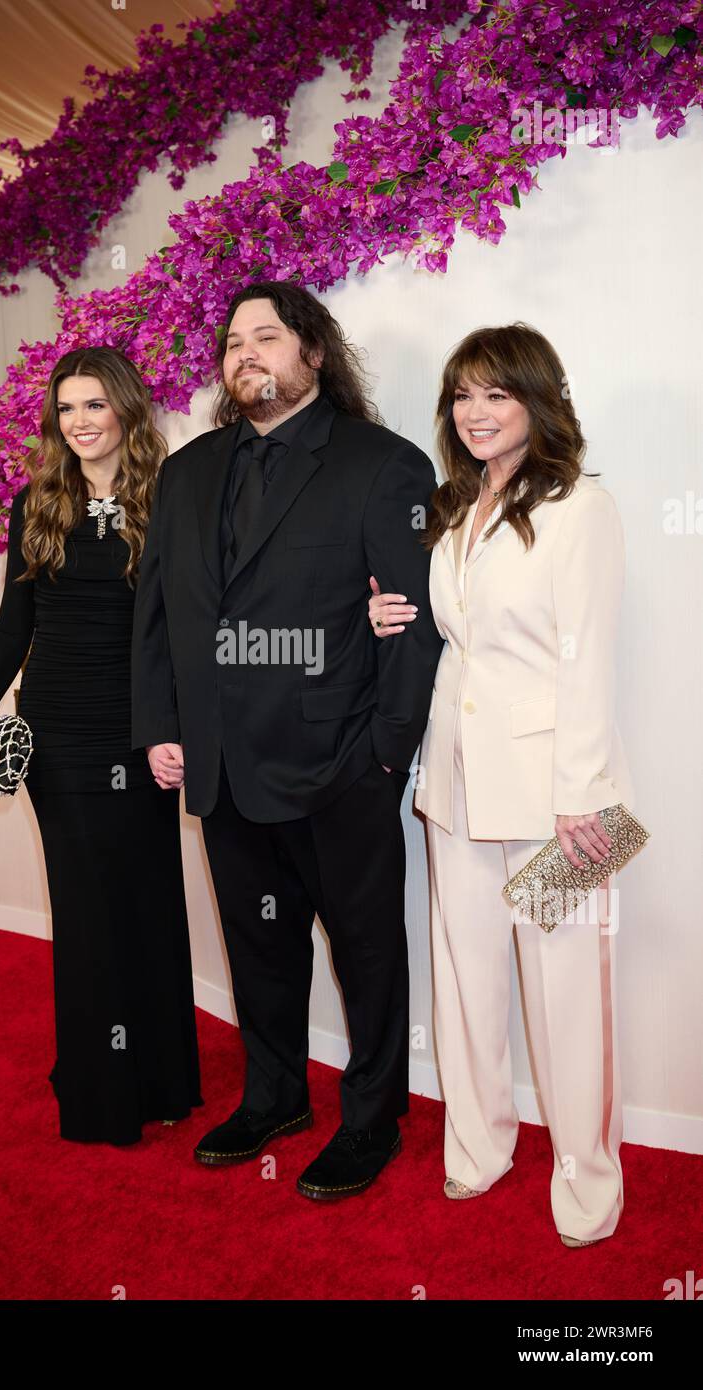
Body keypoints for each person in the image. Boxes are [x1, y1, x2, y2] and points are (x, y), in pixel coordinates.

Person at [131, 281, 444, 1199]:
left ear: (313, 350)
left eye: (266, 337)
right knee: (258, 947)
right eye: (232, 343)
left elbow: (415, 620)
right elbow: (157, 617)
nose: (246, 355)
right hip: (221, 765)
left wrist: (388, 752)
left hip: (341, 765)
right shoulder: (185, 472)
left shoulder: (382, 465)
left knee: (367, 950)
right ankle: (273, 1096)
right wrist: (159, 727)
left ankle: (374, 1119)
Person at [368, 322, 634, 1246]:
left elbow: (589, 664)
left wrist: (583, 801)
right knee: (466, 976)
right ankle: (477, 1146)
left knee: (570, 995)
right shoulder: (453, 507)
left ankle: (588, 1181)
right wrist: (381, 611)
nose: (475, 412)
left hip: (565, 795)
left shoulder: (581, 507)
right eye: (463, 395)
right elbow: (456, 635)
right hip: (457, 783)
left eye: (497, 394)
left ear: (538, 399)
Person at [0, 346, 203, 1145]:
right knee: (87, 910)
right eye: (66, 409)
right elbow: (15, 621)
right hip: (56, 734)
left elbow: (185, 627)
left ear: (126, 410)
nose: (79, 423)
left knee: (146, 895)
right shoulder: (37, 502)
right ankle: (102, 1089)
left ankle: (162, 1075)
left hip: (138, 733)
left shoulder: (168, 498)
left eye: (94, 405)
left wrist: (181, 723)